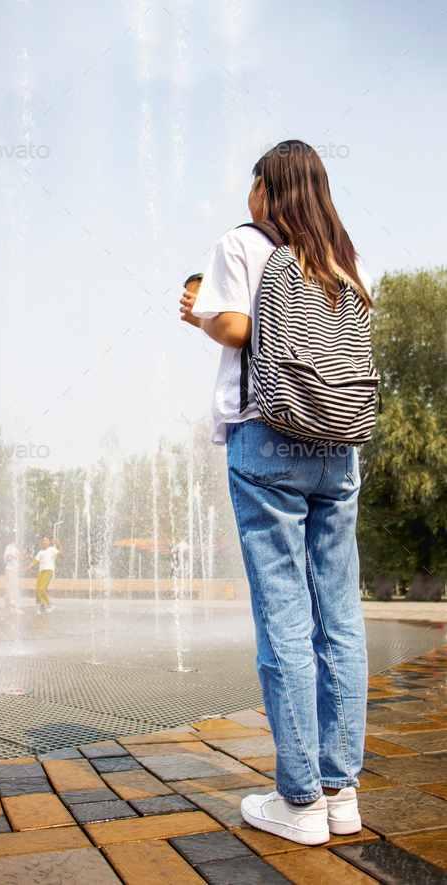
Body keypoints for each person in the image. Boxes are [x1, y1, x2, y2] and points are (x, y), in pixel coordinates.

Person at [180, 140, 372, 846]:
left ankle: (298, 800)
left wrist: (200, 310)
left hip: (269, 436)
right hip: (339, 444)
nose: (248, 194)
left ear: (268, 189)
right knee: (341, 619)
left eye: (254, 182)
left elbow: (233, 326)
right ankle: (340, 788)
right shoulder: (339, 251)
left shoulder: (242, 242)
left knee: (285, 618)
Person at [21, 535, 64, 614]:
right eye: (43, 541)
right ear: (41, 542)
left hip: (48, 570)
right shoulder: (40, 552)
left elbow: (61, 555)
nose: (44, 542)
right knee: (38, 589)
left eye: (46, 540)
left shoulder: (52, 549)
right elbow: (33, 562)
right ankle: (42, 607)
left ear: (49, 542)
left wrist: (59, 546)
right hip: (41, 571)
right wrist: (25, 569)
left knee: (42, 588)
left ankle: (49, 605)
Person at [3, 532, 28, 611]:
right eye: (18, 537)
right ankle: (13, 606)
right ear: (13, 538)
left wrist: (28, 555)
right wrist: (21, 553)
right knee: (11, 588)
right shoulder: (9, 547)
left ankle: (9, 606)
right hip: (10, 570)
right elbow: (9, 557)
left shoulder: (15, 549)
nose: (19, 539)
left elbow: (20, 559)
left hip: (14, 571)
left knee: (13, 588)